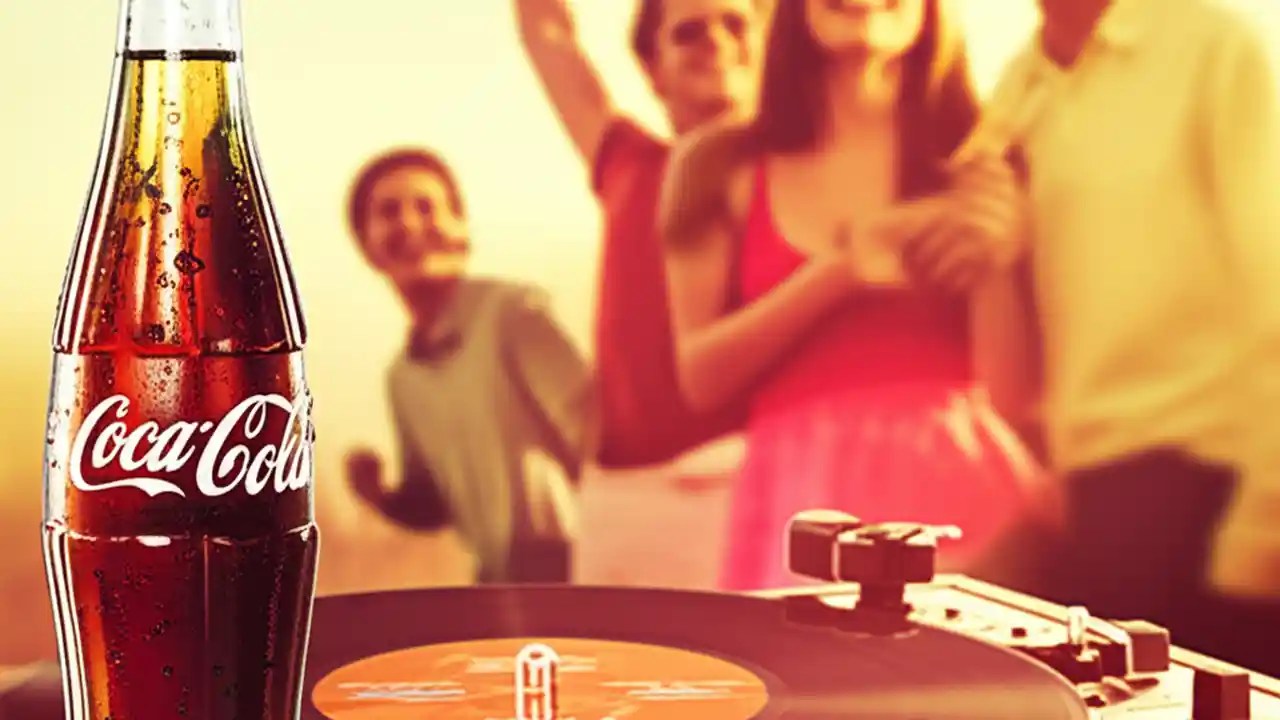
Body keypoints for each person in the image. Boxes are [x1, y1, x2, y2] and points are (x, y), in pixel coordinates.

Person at [660, 0, 1051, 591]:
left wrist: (997, 263)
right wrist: (840, 274)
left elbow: (1014, 396)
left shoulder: (985, 156)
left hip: (970, 496)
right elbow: (699, 376)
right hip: (805, 506)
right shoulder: (719, 165)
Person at [977, 0, 1280, 674]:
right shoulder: (1014, 93)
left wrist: (1263, 530)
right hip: (1095, 511)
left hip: (1216, 497)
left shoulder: (1217, 49)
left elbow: (1273, 293)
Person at [514, 0, 769, 468]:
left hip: (758, 472)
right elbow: (545, 31)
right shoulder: (626, 163)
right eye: (688, 32)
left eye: (736, 24)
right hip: (630, 487)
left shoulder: (801, 180)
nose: (716, 39)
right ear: (652, 69)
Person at [344, 147, 591, 584]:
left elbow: (597, 441)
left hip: (578, 569)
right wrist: (380, 496)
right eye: (388, 211)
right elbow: (434, 504)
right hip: (497, 586)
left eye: (426, 206)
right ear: (367, 246)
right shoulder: (402, 377)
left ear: (461, 229)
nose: (409, 223)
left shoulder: (515, 313)